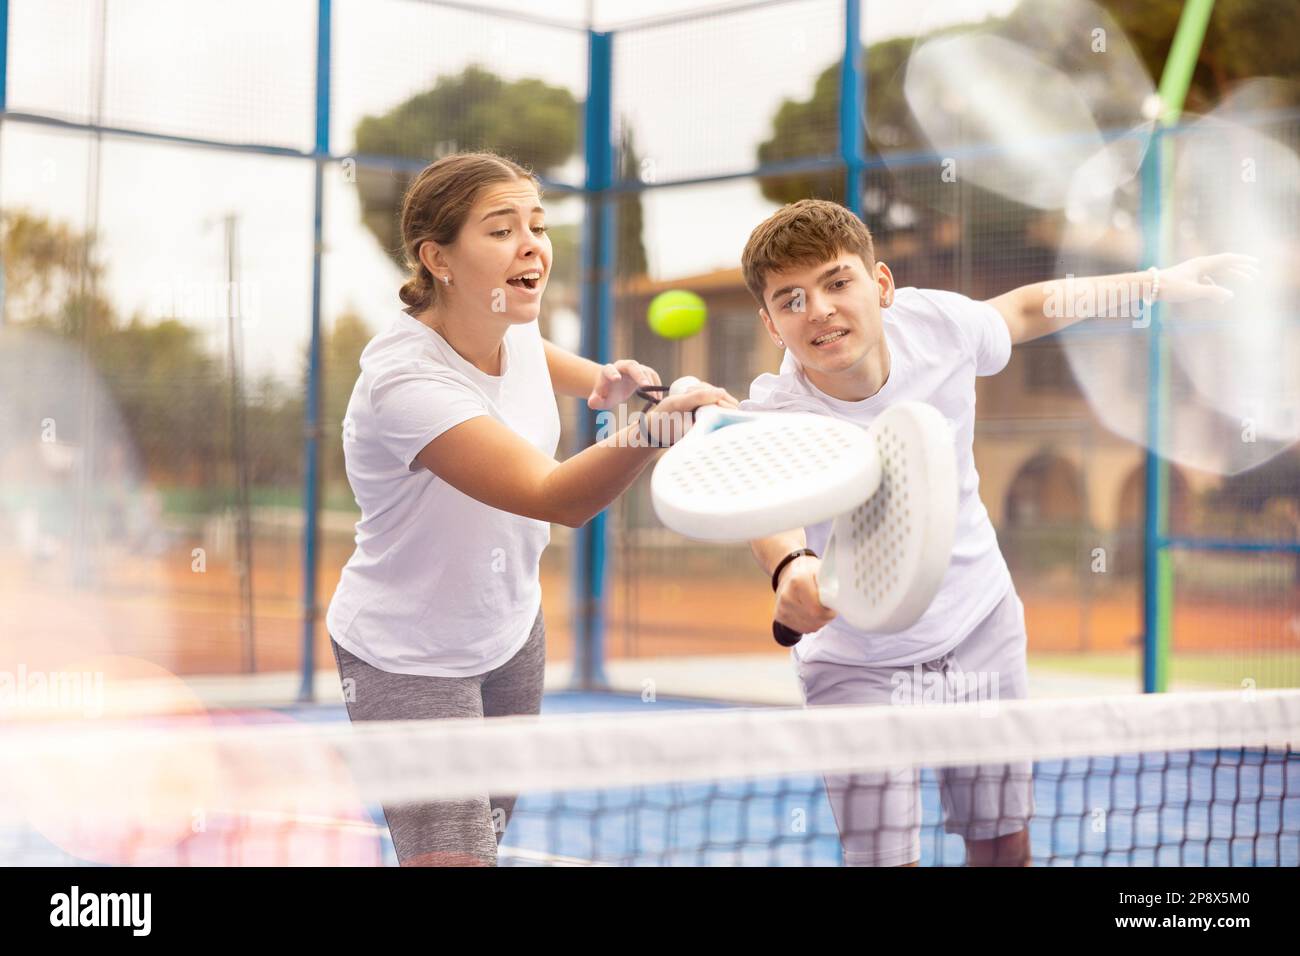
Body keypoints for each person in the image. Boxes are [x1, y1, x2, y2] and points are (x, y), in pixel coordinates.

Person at [739, 198, 1255, 867]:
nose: (820, 310)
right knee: (880, 862)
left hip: (978, 624)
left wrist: (1155, 283)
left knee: (1003, 845)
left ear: (882, 284)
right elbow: (764, 504)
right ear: (773, 325)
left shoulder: (941, 326)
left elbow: (1030, 307)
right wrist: (792, 569)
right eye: (792, 299)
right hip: (855, 661)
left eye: (838, 281)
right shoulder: (779, 411)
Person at [326, 150, 736, 866]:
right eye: (501, 229)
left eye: (538, 227)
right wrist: (658, 427)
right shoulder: (405, 384)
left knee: (483, 844)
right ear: (439, 259)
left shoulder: (503, 323)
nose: (532, 246)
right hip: (409, 658)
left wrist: (607, 384)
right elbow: (556, 498)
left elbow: (533, 351)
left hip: (513, 632)